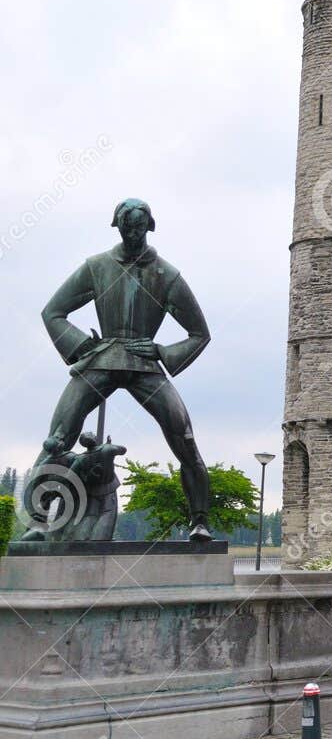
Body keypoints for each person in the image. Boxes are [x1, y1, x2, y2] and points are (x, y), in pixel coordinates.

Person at [23, 198, 213, 542]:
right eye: (128, 227)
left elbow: (200, 333)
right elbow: (53, 311)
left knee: (184, 438)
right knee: (59, 437)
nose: (134, 233)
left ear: (149, 227)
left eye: (140, 226)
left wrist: (161, 351)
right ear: (118, 227)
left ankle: (200, 521)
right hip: (102, 358)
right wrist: (81, 346)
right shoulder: (97, 267)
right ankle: (38, 520)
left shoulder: (167, 275)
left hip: (144, 365)